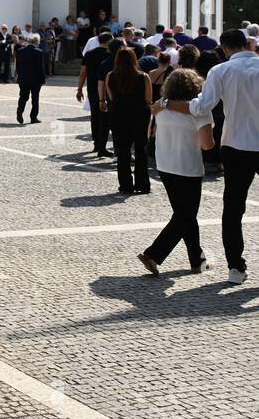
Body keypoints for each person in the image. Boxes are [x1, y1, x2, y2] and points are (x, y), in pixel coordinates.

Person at [154, 28, 259, 284]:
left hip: (236, 145)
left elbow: (201, 107)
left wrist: (167, 103)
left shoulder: (221, 71)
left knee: (233, 210)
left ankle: (236, 267)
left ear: (224, 49)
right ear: (248, 44)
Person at [138, 69, 213, 275]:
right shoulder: (200, 110)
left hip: (164, 165)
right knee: (185, 215)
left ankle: (196, 259)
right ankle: (154, 253)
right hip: (187, 166)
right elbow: (207, 145)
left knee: (184, 214)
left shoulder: (161, 107)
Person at [104, 47, 152, 195]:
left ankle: (125, 185)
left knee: (122, 151)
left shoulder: (110, 76)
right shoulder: (143, 77)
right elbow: (148, 100)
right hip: (139, 116)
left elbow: (111, 98)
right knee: (141, 150)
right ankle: (142, 184)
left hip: (119, 116)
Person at [77, 32, 113, 158]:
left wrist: (79, 88)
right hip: (107, 89)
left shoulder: (89, 53)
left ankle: (97, 143)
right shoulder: (111, 55)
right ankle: (102, 145)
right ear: (109, 41)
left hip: (92, 88)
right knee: (106, 117)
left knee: (95, 115)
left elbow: (82, 73)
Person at [15, 33, 47, 125]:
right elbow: (41, 68)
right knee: (35, 98)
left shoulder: (20, 51)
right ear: (37, 42)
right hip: (36, 79)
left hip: (23, 78)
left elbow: (18, 66)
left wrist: (19, 75)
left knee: (23, 97)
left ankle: (19, 111)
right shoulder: (39, 52)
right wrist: (42, 80)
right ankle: (33, 117)